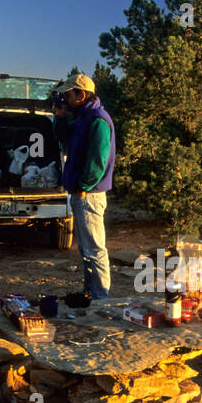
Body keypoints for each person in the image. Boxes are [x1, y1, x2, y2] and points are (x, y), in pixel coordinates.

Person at [52, 72, 115, 300]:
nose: (65, 98)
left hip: (90, 194)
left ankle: (100, 297)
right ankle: (91, 293)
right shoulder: (82, 117)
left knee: (95, 249)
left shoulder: (97, 119)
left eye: (69, 94)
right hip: (82, 192)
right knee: (86, 250)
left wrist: (84, 186)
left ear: (81, 95)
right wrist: (59, 117)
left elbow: (98, 159)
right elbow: (63, 138)